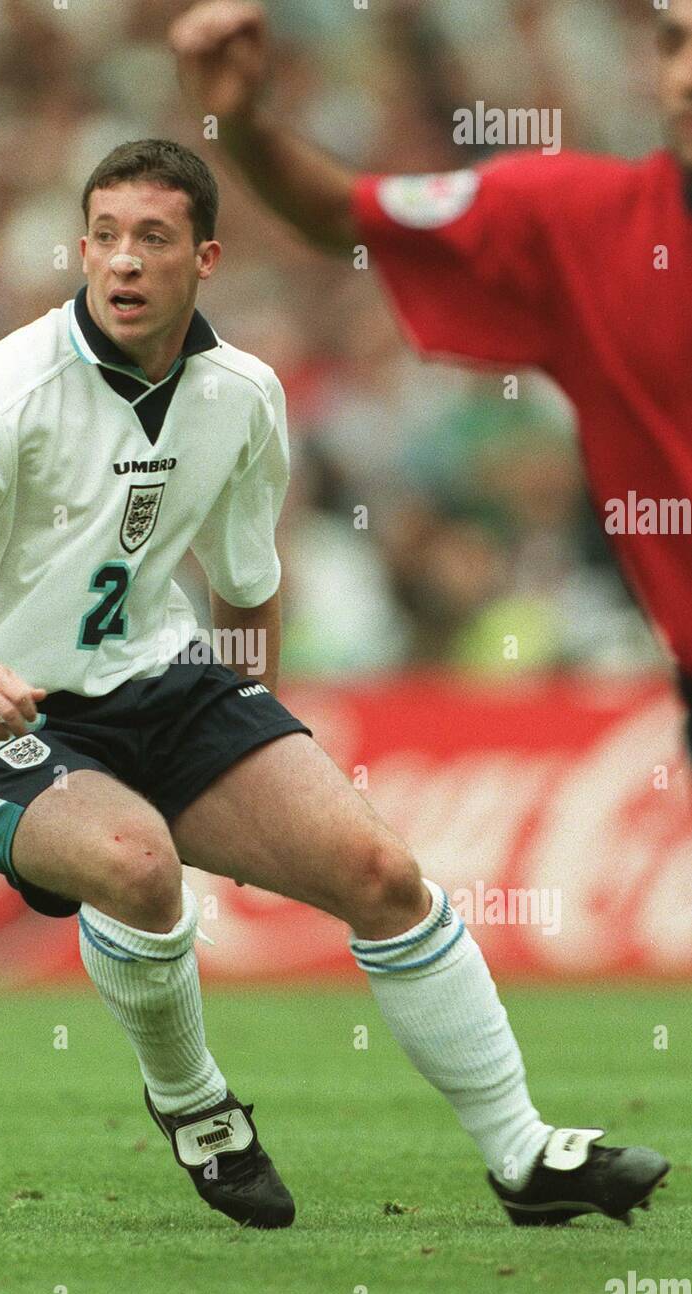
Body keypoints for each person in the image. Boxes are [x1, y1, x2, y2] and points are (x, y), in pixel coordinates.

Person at [0, 138, 666, 1230]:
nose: (124, 262)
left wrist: (255, 724)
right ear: (80, 251)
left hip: (164, 682)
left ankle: (523, 1155)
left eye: (153, 238)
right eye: (106, 238)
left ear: (204, 257)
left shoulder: (242, 395)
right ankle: (195, 1104)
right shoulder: (3, 389)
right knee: (137, 866)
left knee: (378, 868)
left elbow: (247, 579)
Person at [170, 0, 692, 752]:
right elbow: (346, 215)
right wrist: (245, 128)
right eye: (672, 47)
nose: (683, 78)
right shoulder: (578, 222)